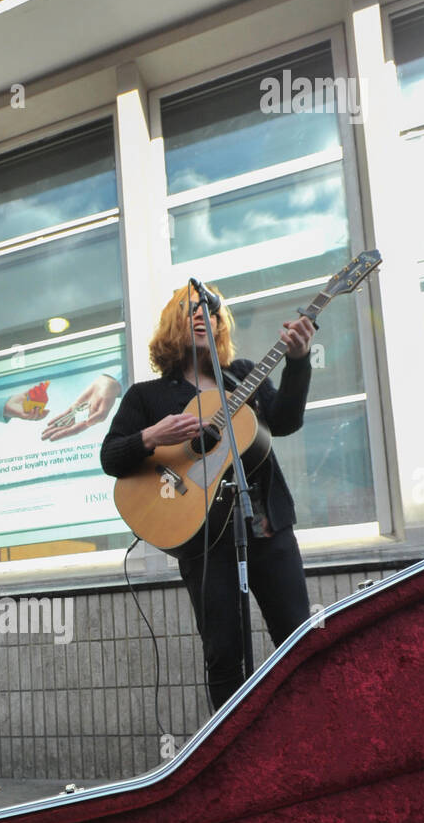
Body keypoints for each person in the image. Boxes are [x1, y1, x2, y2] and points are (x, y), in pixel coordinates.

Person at [100, 286, 315, 708]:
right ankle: (234, 761)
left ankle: (305, 746)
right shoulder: (147, 397)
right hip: (203, 540)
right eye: (191, 309)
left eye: (211, 312)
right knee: (223, 654)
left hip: (267, 528)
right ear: (172, 322)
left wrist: (298, 362)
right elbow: (111, 457)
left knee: (298, 640)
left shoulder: (244, 375)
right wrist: (151, 436)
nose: (203, 316)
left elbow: (287, 421)